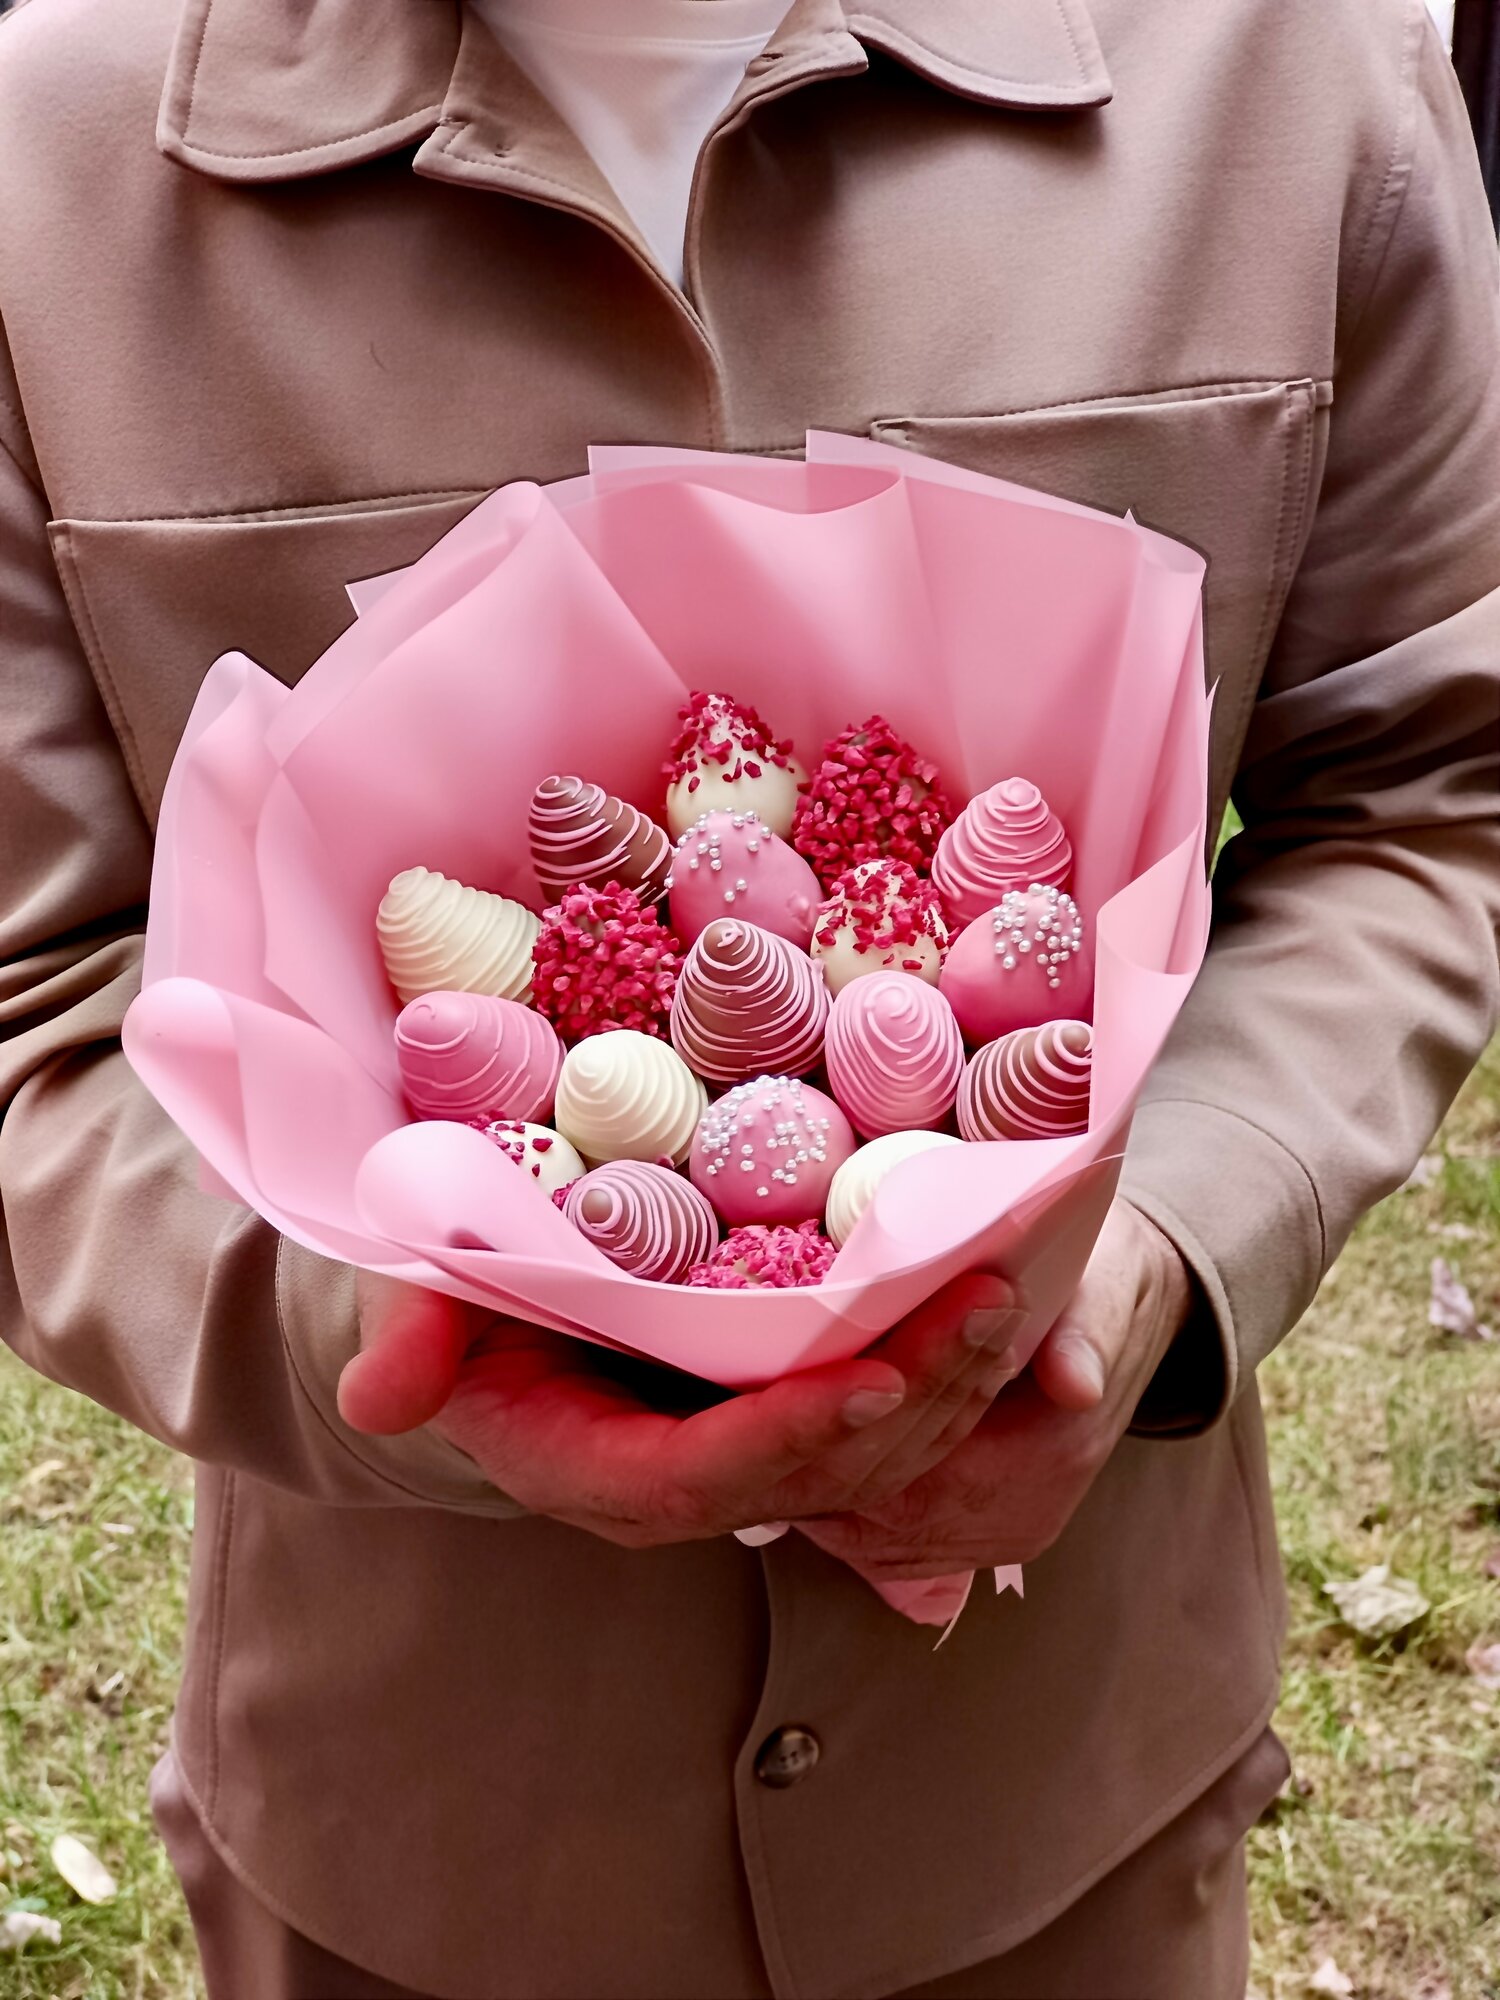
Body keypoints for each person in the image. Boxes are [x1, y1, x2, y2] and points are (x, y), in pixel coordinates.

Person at [0, 0, 1495, 1994]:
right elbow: (39, 999)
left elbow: (1421, 799)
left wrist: (1151, 1257)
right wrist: (394, 1332)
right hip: (412, 1839)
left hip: (1061, 1815)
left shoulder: (1284, 76)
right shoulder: (49, 157)